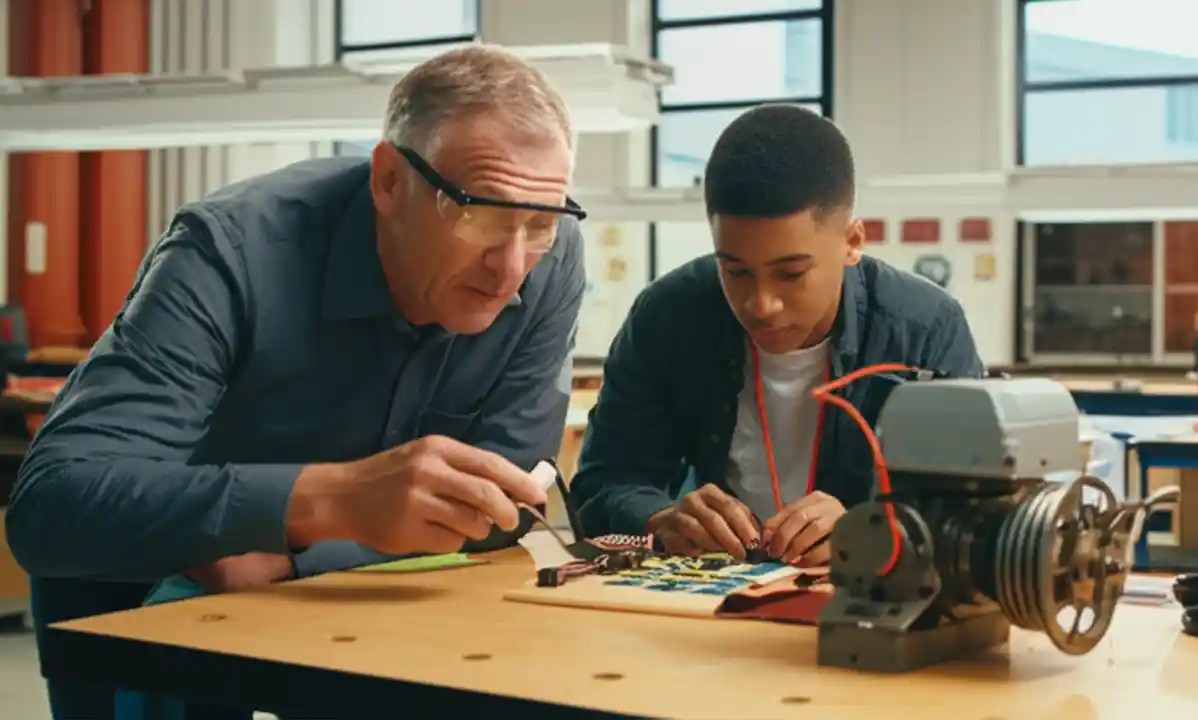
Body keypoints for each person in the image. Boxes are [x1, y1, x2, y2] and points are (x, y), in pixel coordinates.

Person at [6, 44, 585, 719]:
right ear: (389, 181)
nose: (511, 266)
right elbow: (54, 508)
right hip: (141, 581)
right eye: (481, 215)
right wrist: (329, 497)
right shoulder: (231, 249)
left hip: (331, 585)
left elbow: (506, 498)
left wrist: (302, 551)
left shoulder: (553, 254)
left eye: (538, 224)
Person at [570, 105, 983, 568]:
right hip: (711, 602)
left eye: (791, 273)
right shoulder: (669, 317)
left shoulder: (926, 328)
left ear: (852, 242)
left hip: (869, 603)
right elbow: (601, 485)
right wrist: (659, 518)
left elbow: (973, 518)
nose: (761, 305)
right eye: (736, 271)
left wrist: (870, 530)